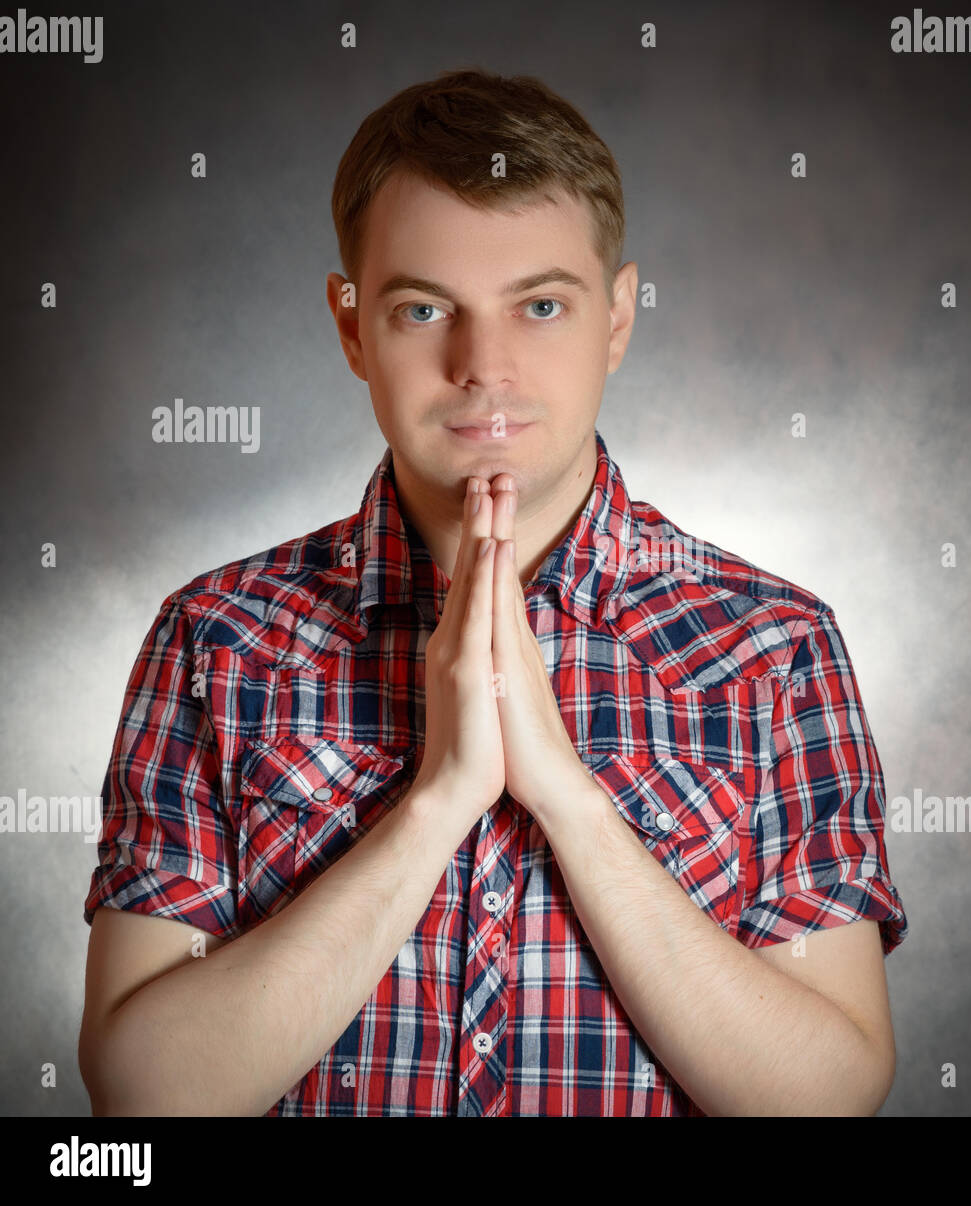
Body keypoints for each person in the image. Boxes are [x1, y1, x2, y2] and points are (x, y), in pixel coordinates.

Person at [78, 68, 908, 1117]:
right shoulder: (214, 638)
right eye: (424, 308)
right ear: (350, 329)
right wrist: (438, 801)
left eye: (542, 305)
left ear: (617, 316)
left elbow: (824, 1101)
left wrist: (561, 790)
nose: (483, 365)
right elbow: (147, 1103)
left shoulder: (777, 648)